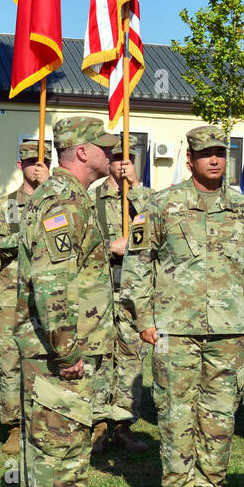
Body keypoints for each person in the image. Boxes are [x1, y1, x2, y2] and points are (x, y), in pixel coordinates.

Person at [124, 124, 244, 487]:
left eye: (220, 153)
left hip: (229, 330)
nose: (214, 159)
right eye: (206, 153)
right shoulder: (161, 205)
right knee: (174, 411)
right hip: (174, 328)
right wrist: (143, 319)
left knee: (220, 413)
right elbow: (138, 262)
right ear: (189, 159)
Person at [15, 116, 120, 487]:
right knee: (61, 454)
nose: (111, 155)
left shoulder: (71, 198)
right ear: (81, 152)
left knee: (53, 450)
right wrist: (67, 349)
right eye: (104, 148)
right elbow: (52, 282)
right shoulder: (62, 202)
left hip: (59, 353)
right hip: (60, 356)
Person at [0, 139, 52, 455]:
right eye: (30, 162)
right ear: (19, 165)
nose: (36, 168)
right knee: (10, 361)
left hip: (51, 297)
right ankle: (14, 427)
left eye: (42, 162)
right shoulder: (5, 205)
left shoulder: (57, 204)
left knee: (47, 362)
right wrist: (25, 235)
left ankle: (43, 422)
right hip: (14, 296)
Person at [92, 144, 152, 454]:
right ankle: (99, 421)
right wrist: (109, 247)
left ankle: (124, 424)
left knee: (131, 356)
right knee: (100, 355)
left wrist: (137, 190)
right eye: (117, 158)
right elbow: (80, 242)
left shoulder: (146, 199)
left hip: (133, 291)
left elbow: (156, 232)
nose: (123, 164)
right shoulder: (92, 198)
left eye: (128, 159)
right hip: (101, 288)